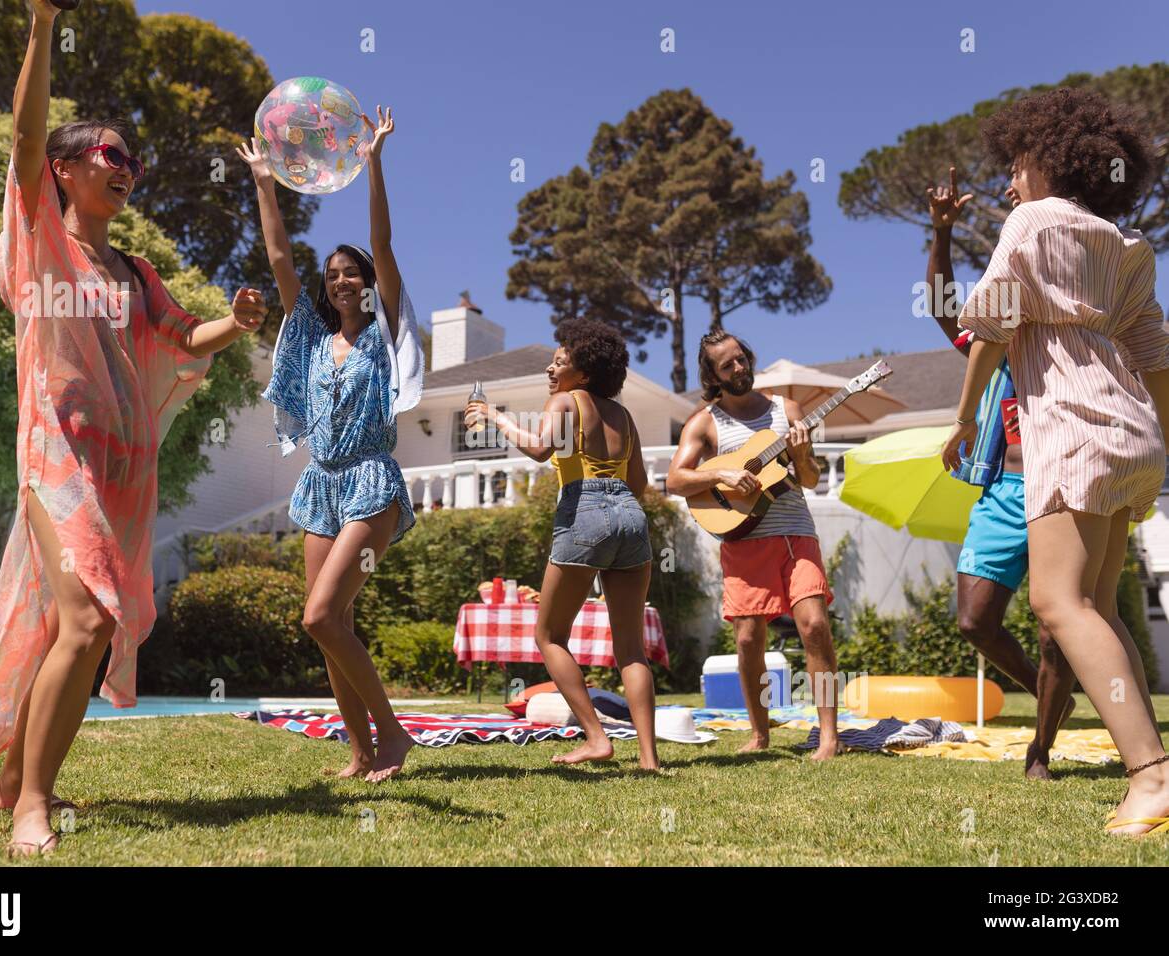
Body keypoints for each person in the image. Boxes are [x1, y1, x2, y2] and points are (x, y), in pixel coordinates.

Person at [0, 0, 266, 856]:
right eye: (110, 155)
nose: (127, 167)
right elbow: (20, 142)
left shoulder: (134, 270)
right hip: (58, 461)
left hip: (126, 473)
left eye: (134, 159)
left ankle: (17, 778)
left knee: (71, 634)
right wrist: (42, 26)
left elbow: (179, 339)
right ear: (62, 170)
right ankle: (30, 807)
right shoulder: (38, 238)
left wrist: (233, 324)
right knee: (84, 625)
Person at [941, 87, 1169, 835]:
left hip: (1071, 427)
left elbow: (992, 329)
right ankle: (1154, 762)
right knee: (1096, 607)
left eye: (1014, 165)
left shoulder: (1032, 222)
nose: (1008, 183)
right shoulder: (1128, 245)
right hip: (1131, 433)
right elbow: (1156, 360)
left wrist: (965, 416)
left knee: (1055, 602)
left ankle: (1151, 776)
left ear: (1047, 160)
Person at [239, 103, 424, 784]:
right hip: (322, 482)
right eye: (334, 274)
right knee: (330, 627)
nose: (343, 278)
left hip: (372, 480)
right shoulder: (313, 338)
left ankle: (395, 736)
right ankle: (360, 751)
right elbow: (281, 256)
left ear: (367, 284)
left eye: (353, 272)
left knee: (319, 616)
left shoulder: (384, 331)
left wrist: (373, 161)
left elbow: (384, 245)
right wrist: (264, 180)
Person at [924, 165, 1076, 779]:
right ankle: (1054, 700)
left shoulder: (1068, 335)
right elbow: (941, 308)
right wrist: (941, 234)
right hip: (1003, 491)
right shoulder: (1000, 338)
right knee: (975, 621)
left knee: (1052, 625)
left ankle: (1040, 747)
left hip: (1060, 487)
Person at [466, 319, 658, 770]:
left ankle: (596, 738)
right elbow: (640, 483)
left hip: (584, 510)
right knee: (630, 648)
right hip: (631, 517)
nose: (551, 370)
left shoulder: (565, 401)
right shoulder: (623, 417)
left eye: (561, 361)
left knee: (549, 635)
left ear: (584, 371)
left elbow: (539, 449)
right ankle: (649, 758)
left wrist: (493, 416)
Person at [666, 331, 842, 760]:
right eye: (728, 365)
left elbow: (811, 479)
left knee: (815, 626)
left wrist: (801, 455)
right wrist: (719, 476)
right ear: (713, 375)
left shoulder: (787, 410)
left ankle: (830, 736)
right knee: (748, 640)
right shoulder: (705, 421)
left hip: (795, 532)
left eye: (742, 359)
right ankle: (760, 734)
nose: (739, 368)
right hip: (744, 540)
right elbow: (675, 478)